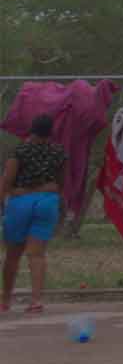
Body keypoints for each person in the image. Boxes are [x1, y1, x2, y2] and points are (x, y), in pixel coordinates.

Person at [3, 114, 67, 312]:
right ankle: (36, 300)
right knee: (37, 254)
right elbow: (61, 182)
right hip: (48, 202)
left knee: (13, 255)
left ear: (31, 129)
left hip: (20, 203)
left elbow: (6, 181)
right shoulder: (59, 152)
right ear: (51, 132)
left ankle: (5, 301)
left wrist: (13, 193)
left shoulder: (19, 151)